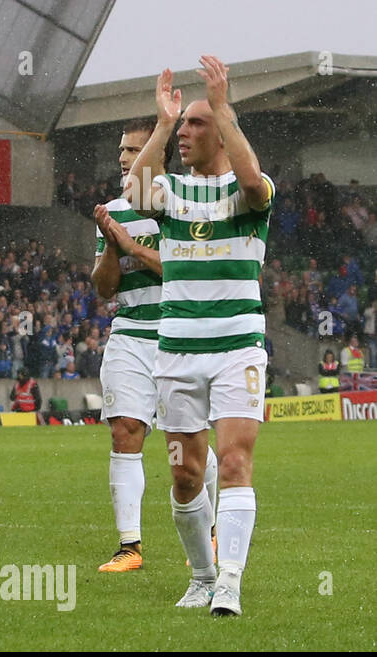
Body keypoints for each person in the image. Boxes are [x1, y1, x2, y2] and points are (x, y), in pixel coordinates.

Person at [126, 57, 271, 616]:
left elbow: (254, 185)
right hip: (177, 351)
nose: (185, 133)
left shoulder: (250, 192)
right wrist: (160, 124)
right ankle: (203, 576)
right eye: (182, 125)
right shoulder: (170, 192)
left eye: (194, 124)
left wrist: (224, 106)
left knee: (234, 463)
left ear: (221, 132)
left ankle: (230, 581)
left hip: (237, 347)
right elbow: (135, 194)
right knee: (187, 474)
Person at [91, 117, 218, 573]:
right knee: (126, 429)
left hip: (179, 334)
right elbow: (105, 289)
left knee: (189, 443)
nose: (126, 159)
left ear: (157, 156)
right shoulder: (113, 210)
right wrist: (111, 246)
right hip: (129, 332)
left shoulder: (184, 205)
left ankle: (211, 530)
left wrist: (133, 247)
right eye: (123, 151)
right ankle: (130, 546)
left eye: (134, 150)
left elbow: (185, 272)